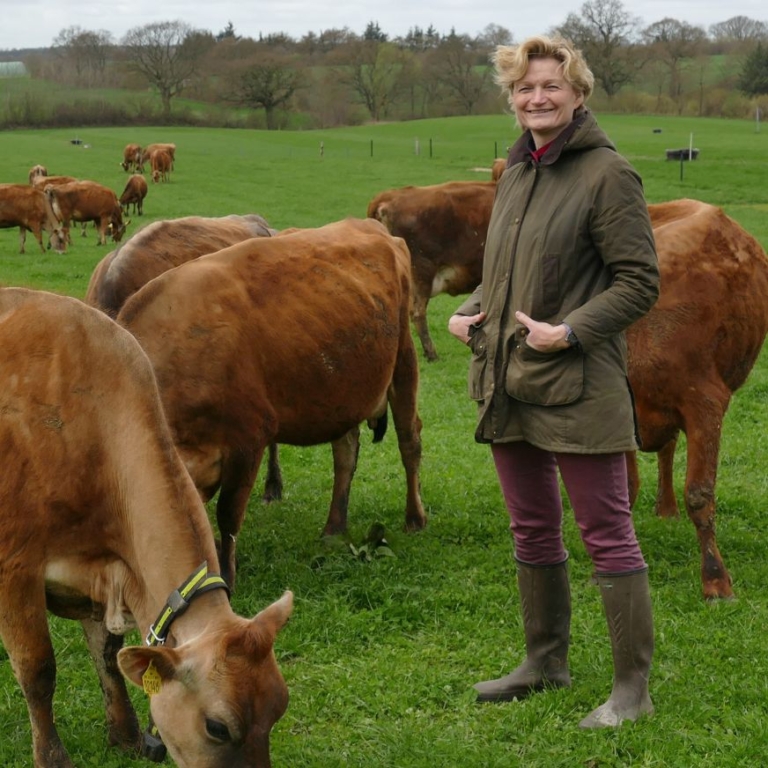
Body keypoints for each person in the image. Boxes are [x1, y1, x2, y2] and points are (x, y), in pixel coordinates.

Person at [448, 35, 660, 728]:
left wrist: (568, 332)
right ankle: (545, 662)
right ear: (512, 99)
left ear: (578, 93)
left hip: (578, 382)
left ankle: (632, 691)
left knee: (608, 533)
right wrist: (472, 307)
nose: (536, 98)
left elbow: (639, 281)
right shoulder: (516, 172)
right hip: (509, 379)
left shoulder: (608, 174)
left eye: (550, 86)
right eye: (524, 88)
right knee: (532, 526)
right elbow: (506, 268)